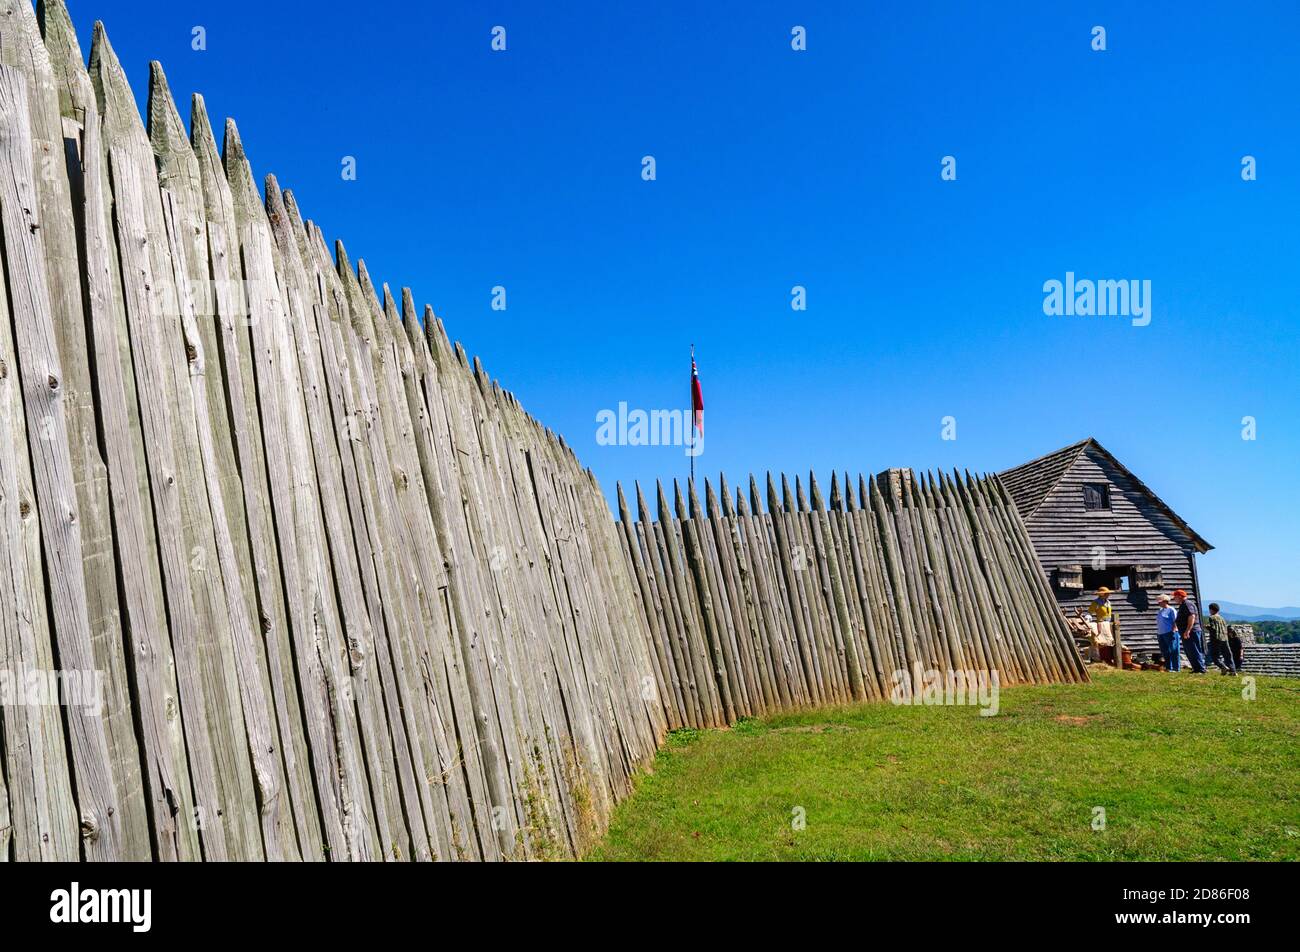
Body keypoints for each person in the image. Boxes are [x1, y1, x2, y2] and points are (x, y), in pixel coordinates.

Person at [1172, 589, 1205, 674]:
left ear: (1179, 596)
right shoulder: (1183, 604)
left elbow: (1192, 616)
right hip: (1187, 631)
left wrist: (1188, 630)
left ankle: (1201, 669)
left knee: (1194, 649)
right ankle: (1196, 668)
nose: (1174, 599)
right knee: (1190, 650)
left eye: (1175, 597)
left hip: (1192, 631)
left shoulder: (1187, 604)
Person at [1204, 603, 1236, 675]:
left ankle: (1223, 667)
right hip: (1225, 638)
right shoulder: (1222, 618)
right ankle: (1233, 671)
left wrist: (1206, 627)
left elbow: (1213, 628)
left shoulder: (1212, 617)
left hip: (1216, 639)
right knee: (1228, 655)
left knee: (1215, 656)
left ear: (1211, 610)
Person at [1088, 587, 1115, 661]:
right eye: (1106, 593)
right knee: (1101, 641)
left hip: (1109, 624)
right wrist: (1088, 619)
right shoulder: (1096, 603)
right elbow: (1090, 612)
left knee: (1110, 640)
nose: (1108, 595)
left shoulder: (1108, 602)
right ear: (1102, 594)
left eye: (1108, 593)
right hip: (1101, 624)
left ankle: (1109, 658)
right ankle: (1100, 658)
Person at [1155, 593, 1180, 672]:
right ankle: (1169, 667)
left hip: (1170, 632)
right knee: (1165, 651)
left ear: (1165, 601)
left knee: (1173, 650)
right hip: (1161, 633)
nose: (1158, 603)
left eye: (1160, 601)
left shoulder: (1171, 610)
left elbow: (1176, 620)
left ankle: (1176, 668)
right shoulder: (1160, 611)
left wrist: (1174, 630)